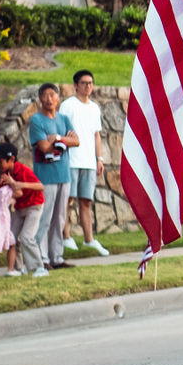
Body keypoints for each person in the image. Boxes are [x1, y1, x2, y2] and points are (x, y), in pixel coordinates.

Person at [58, 69, 110, 256]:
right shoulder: (67, 106)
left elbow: (96, 135)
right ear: (76, 85)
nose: (88, 86)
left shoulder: (95, 108)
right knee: (67, 200)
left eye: (90, 83)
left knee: (86, 201)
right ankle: (66, 237)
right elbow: (62, 131)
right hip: (71, 161)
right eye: (84, 83)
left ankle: (89, 239)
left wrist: (99, 159)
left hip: (89, 162)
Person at [28, 83, 79, 270]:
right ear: (40, 98)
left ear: (58, 98)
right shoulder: (36, 121)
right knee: (45, 218)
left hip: (64, 174)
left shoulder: (63, 119)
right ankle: (41, 258)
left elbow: (76, 140)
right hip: (46, 176)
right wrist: (63, 141)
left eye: (53, 95)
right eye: (46, 95)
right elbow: (43, 146)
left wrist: (57, 138)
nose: (50, 99)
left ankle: (56, 256)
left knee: (60, 218)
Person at [0, 143, 46, 277]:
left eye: (0, 161)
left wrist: (18, 184)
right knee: (12, 238)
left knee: (26, 237)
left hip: (34, 206)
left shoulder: (23, 170)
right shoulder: (2, 174)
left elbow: (40, 186)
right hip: (20, 208)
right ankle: (18, 268)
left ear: (11, 160)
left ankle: (39, 268)